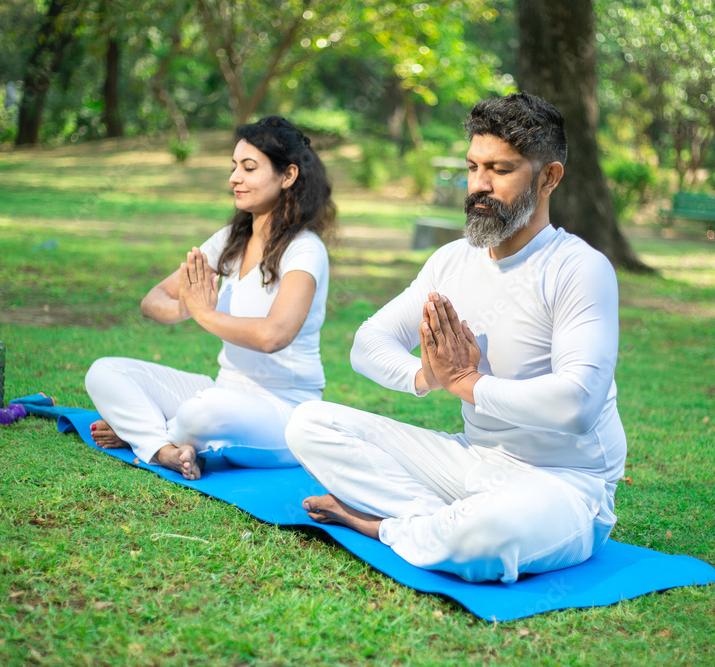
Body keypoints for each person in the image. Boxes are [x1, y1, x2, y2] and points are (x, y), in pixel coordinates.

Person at [285, 93, 627, 583]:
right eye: (473, 167)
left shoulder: (579, 269)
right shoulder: (452, 260)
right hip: (469, 462)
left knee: (488, 538)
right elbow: (367, 344)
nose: (479, 186)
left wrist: (466, 383)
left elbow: (578, 408)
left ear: (549, 177)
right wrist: (427, 376)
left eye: (501, 170)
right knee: (308, 423)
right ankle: (434, 524)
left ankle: (382, 524)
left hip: (564, 483)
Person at [86, 116, 335, 481]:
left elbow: (273, 336)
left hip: (284, 411)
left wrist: (203, 313)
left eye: (249, 168)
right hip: (223, 389)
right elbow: (153, 299)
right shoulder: (230, 240)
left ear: (288, 176)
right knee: (104, 371)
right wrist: (185, 307)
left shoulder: (305, 251)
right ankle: (165, 448)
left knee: (202, 412)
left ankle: (142, 433)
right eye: (234, 167)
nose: (235, 177)